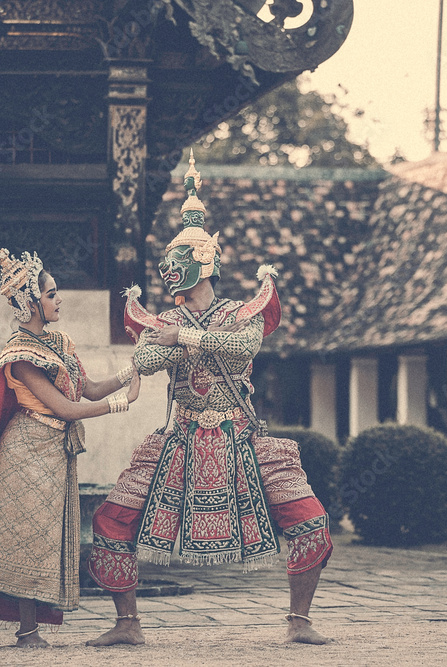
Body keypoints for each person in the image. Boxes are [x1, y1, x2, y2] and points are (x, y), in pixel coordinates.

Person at [86, 153, 333, 647]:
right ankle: (127, 622)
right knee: (110, 521)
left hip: (239, 437)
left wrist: (186, 340)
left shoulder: (238, 315)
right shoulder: (166, 320)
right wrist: (165, 340)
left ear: (201, 264)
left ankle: (299, 620)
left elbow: (244, 350)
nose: (167, 271)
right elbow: (148, 359)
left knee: (311, 522)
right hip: (179, 438)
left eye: (175, 262)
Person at [0, 206, 141, 648]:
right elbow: (65, 409)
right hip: (26, 453)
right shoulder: (21, 353)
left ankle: (23, 630)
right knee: (5, 545)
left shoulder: (58, 342)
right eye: (52, 294)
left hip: (52, 455)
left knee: (33, 547)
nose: (59, 300)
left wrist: (132, 372)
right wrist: (121, 405)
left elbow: (87, 389)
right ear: (31, 302)